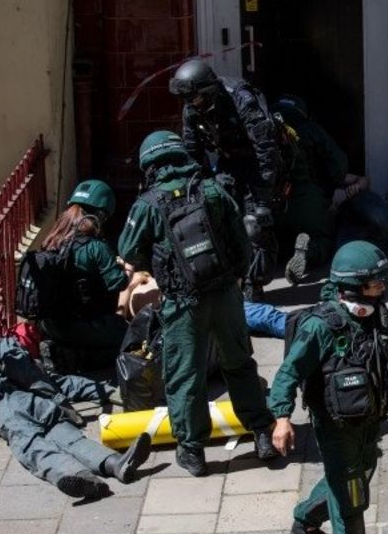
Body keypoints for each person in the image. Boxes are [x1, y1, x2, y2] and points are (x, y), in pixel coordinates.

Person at [118, 130, 277, 477]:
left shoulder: (147, 204)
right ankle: (263, 434)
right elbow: (242, 238)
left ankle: (192, 452)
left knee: (185, 375)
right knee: (239, 364)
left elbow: (129, 250)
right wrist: (235, 278)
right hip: (225, 295)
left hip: (182, 303)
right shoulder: (211, 190)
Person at [269, 240, 388, 534]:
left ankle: (303, 522)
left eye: (383, 282)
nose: (382, 289)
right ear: (352, 287)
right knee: (351, 498)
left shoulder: (377, 315)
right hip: (336, 427)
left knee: (357, 476)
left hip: (371, 421)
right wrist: (281, 418)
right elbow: (287, 374)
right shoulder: (321, 327)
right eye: (374, 284)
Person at [270, 94, 388, 286]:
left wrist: (351, 190)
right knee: (345, 251)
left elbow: (364, 180)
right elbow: (336, 169)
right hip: (332, 222)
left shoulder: (322, 173)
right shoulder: (312, 169)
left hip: (347, 209)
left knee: (371, 208)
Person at [169, 59, 282, 301]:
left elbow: (266, 148)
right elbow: (192, 151)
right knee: (216, 217)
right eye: (189, 100)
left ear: (208, 91)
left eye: (196, 98)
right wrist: (197, 190)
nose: (192, 104)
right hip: (228, 164)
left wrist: (263, 197)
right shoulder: (192, 107)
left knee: (254, 224)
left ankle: (255, 283)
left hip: (257, 165)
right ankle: (230, 278)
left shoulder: (241, 100)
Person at [0, 335, 152, 499]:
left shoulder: (31, 368)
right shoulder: (2, 347)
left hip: (25, 407)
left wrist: (114, 393)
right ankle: (109, 466)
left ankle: (97, 469)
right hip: (24, 404)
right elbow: (27, 372)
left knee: (37, 447)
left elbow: (72, 384)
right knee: (70, 441)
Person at [37, 179, 143, 372]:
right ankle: (74, 358)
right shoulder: (96, 247)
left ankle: (58, 349)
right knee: (131, 336)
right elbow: (117, 284)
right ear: (100, 214)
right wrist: (128, 266)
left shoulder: (52, 240)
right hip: (81, 325)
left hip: (49, 324)